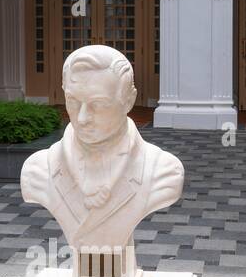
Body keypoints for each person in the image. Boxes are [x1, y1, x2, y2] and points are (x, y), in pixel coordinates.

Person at [21, 45, 184, 261]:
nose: (82, 118)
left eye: (98, 104)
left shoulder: (163, 172)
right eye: (73, 102)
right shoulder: (37, 171)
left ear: (129, 100)